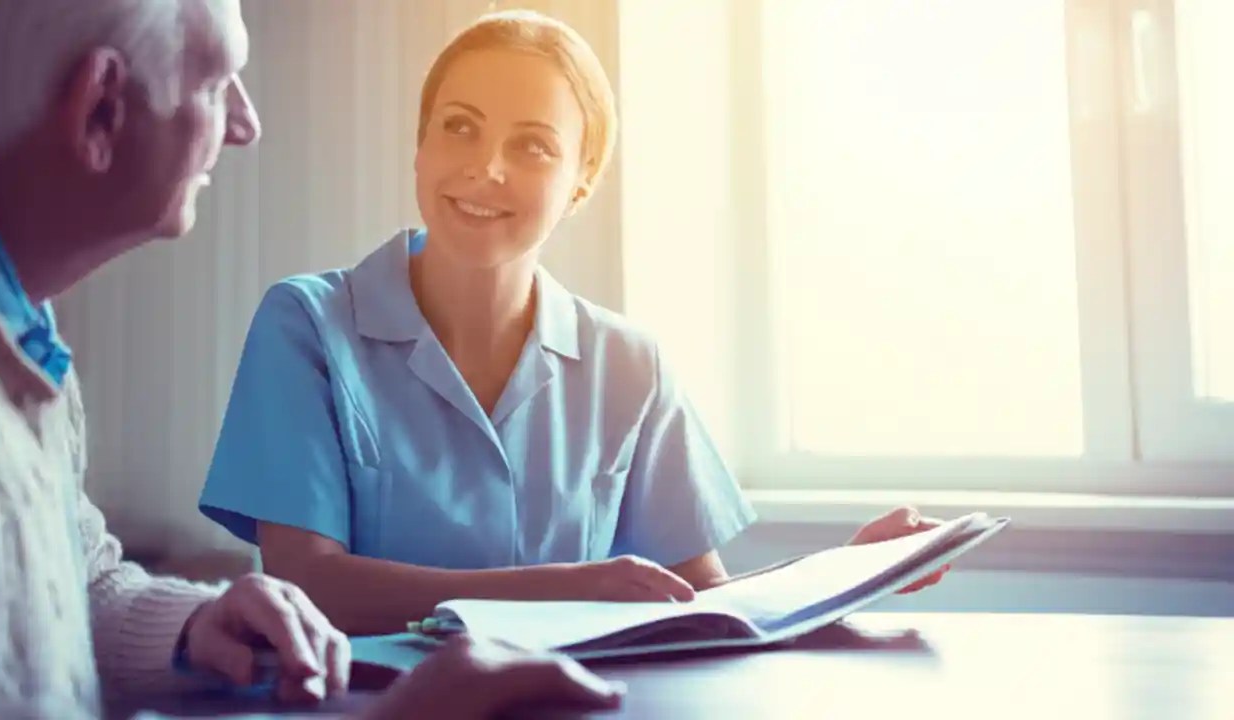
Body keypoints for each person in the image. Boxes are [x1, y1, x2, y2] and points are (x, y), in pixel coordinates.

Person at [0, 1, 622, 717]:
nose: (245, 124)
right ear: (100, 111)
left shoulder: (20, 330)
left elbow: (64, 583)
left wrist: (192, 624)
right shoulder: (307, 319)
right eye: (216, 84)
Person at [199, 9, 947, 638]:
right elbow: (309, 588)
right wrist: (571, 588)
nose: (487, 167)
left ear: (582, 180)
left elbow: (697, 605)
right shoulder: (308, 325)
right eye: (459, 128)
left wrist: (844, 577)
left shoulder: (630, 364)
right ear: (420, 147)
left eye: (533, 145)